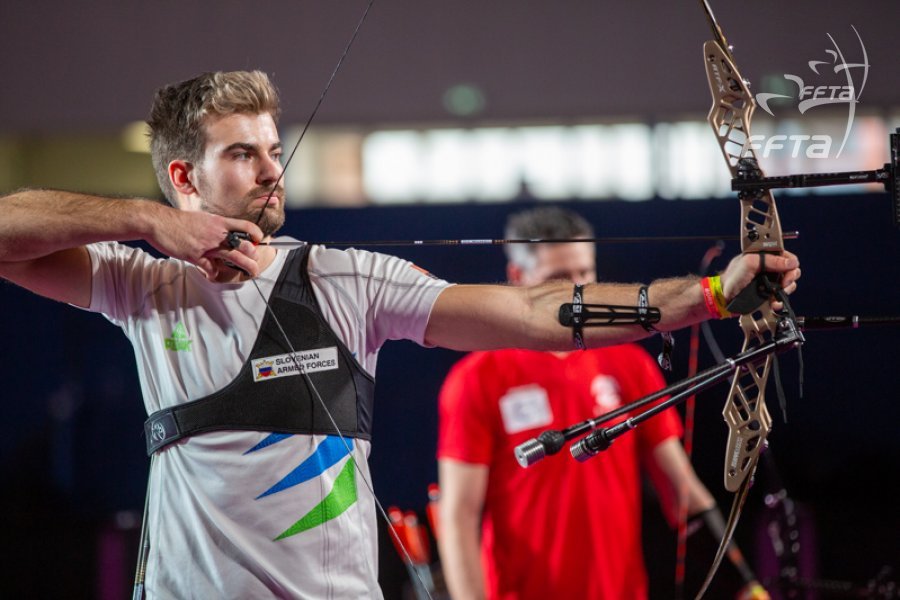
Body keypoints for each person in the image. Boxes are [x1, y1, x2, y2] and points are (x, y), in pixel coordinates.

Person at [0, 71, 799, 599]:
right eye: (242, 154)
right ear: (184, 178)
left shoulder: (343, 279)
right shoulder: (143, 285)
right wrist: (144, 224)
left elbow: (530, 315)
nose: (272, 170)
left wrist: (706, 296)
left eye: (274, 150)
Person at [436, 207, 766, 599]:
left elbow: (682, 493)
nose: (578, 292)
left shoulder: (628, 363)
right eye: (559, 279)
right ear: (517, 278)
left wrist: (744, 585)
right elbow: (458, 516)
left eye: (584, 275)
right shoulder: (477, 378)